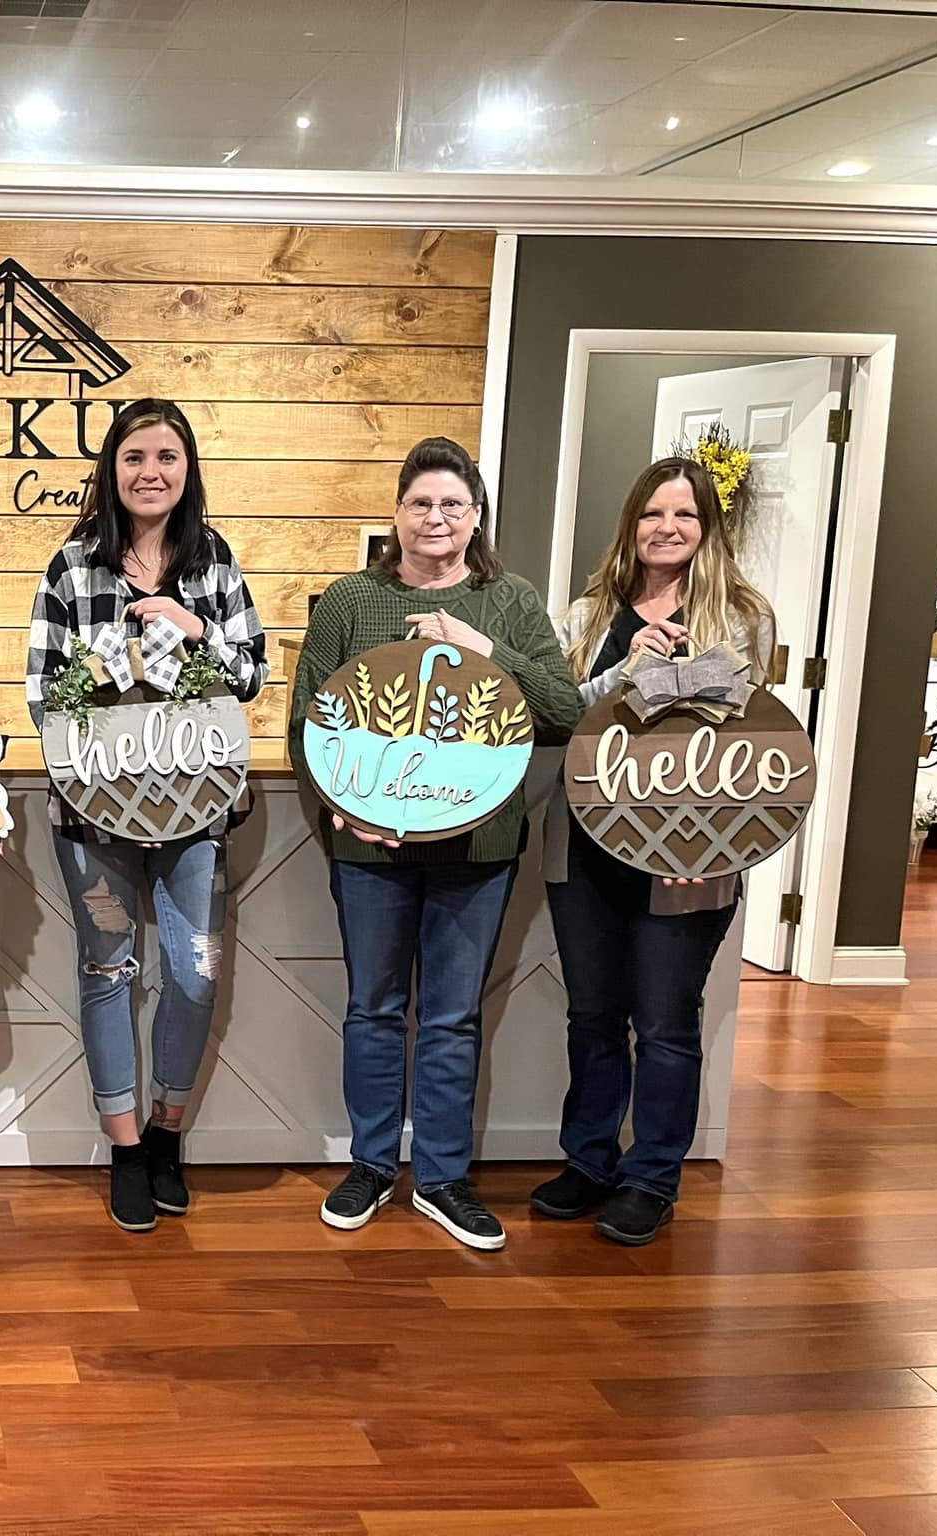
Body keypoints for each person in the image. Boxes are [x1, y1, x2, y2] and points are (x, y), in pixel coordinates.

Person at [292, 436, 583, 1252]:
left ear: (476, 516)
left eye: (453, 504)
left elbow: (564, 710)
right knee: (373, 1009)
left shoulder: (510, 601)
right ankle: (372, 1165)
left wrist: (487, 651)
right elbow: (308, 718)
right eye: (420, 502)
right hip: (370, 851)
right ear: (396, 514)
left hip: (478, 849)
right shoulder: (350, 601)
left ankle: (444, 1177)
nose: (436, 517)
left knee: (453, 1018)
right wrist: (338, 805)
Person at [24, 398, 268, 1232]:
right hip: (92, 815)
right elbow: (40, 696)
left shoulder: (215, 562)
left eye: (167, 456)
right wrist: (108, 662)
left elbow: (251, 676)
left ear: (188, 469)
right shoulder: (72, 568)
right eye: (134, 457)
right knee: (107, 971)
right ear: (111, 469)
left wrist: (192, 628)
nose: (150, 472)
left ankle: (168, 1130)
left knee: (196, 975)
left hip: (196, 813)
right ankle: (126, 1149)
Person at [534, 457, 776, 1246]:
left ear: (708, 528)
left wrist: (714, 843)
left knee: (667, 1020)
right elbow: (562, 717)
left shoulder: (740, 616)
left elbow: (744, 731)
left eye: (684, 515)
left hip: (689, 852)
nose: (666, 528)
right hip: (587, 845)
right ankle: (590, 1159)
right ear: (631, 523)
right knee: (593, 1015)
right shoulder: (587, 614)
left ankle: (652, 1178)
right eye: (652, 514)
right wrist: (627, 666)